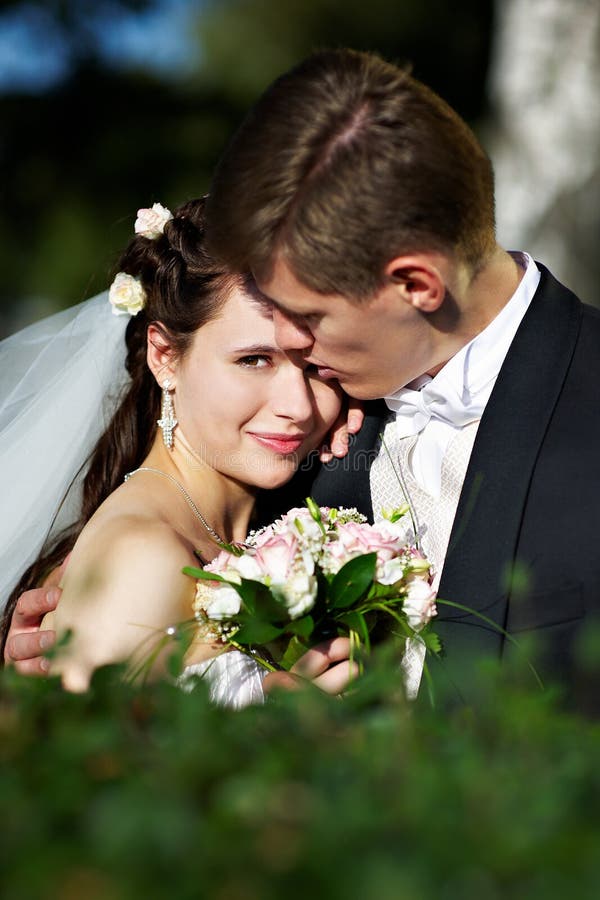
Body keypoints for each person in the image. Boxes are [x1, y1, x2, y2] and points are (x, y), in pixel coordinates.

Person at [8, 47, 600, 711]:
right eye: (260, 352)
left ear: (415, 285)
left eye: (309, 317)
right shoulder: (301, 445)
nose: (299, 378)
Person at [0, 197, 355, 701]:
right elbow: (81, 773)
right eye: (254, 360)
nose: (298, 406)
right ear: (165, 357)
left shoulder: (248, 521)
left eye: (316, 367)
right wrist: (275, 722)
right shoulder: (142, 556)